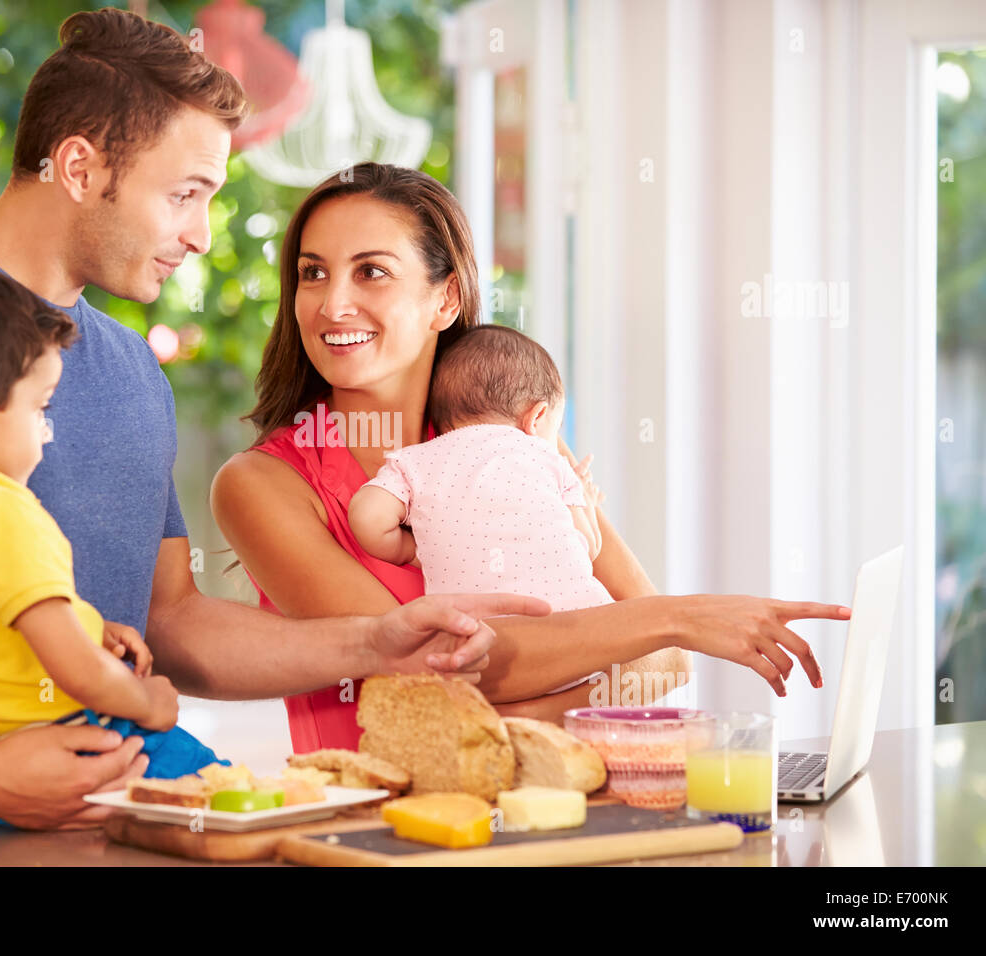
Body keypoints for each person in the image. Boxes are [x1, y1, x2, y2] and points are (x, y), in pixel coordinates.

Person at [0, 10, 546, 835]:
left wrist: (378, 642)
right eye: (184, 195)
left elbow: (171, 622)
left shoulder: (132, 372)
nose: (201, 236)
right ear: (77, 166)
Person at [210, 162, 851, 752]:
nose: (332, 303)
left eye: (371, 271)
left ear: (447, 300)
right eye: (313, 272)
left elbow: (666, 664)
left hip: (560, 815)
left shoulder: (517, 434)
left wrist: (651, 638)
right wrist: (671, 621)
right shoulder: (264, 485)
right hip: (387, 840)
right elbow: (436, 668)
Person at [0, 259, 230, 826]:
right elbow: (76, 672)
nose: (47, 431)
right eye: (40, 407)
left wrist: (86, 622)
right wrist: (148, 702)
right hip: (95, 742)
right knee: (240, 807)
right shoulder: (1, 511)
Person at [348, 324, 612, 694]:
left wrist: (413, 549)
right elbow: (588, 545)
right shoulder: (548, 457)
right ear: (536, 418)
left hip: (475, 653)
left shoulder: (416, 461)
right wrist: (584, 497)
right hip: (581, 640)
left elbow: (368, 519)